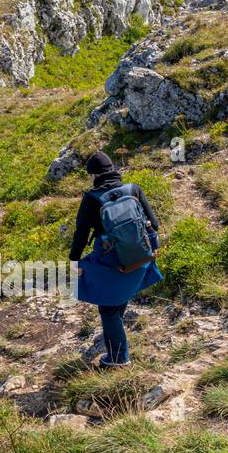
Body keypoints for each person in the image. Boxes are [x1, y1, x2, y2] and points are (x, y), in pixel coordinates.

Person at [69, 151, 163, 367]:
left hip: (113, 262)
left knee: (108, 309)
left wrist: (74, 259)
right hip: (140, 257)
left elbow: (81, 234)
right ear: (113, 169)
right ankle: (116, 345)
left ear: (93, 175)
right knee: (118, 299)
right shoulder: (133, 189)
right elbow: (154, 225)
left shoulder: (91, 199)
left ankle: (118, 359)